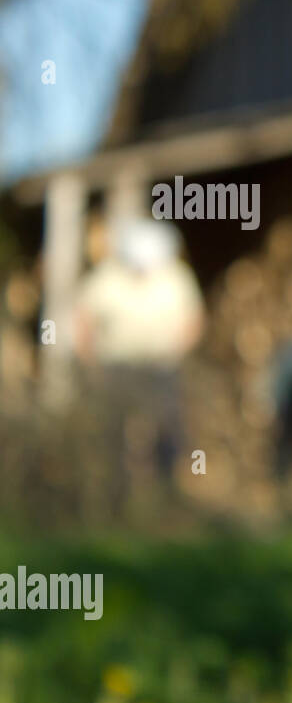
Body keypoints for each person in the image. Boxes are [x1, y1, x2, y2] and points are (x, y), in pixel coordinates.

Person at [74, 216, 204, 509]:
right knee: (112, 431)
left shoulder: (175, 277)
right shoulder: (107, 277)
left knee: (168, 428)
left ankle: (167, 495)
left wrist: (176, 354)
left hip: (161, 368)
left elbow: (194, 321)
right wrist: (91, 361)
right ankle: (113, 498)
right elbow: (84, 319)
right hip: (116, 367)